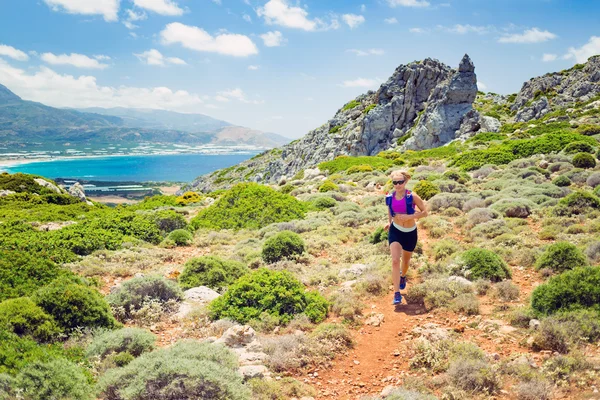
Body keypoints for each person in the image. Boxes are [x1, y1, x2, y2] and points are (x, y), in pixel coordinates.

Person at [384, 170, 428, 305]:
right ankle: (396, 293)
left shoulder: (412, 196)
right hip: (396, 231)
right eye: (395, 182)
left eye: (400, 182)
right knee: (395, 261)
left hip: (410, 232)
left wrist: (410, 216)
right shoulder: (390, 197)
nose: (397, 185)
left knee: (406, 261)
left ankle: (403, 277)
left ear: (405, 182)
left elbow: (425, 213)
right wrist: (389, 222)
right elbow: (390, 211)